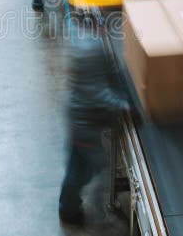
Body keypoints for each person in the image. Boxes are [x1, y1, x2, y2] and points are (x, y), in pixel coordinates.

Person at [58, 31, 131, 226]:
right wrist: (122, 105)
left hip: (79, 119)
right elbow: (97, 92)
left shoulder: (92, 45)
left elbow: (111, 74)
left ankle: (68, 208)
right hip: (85, 126)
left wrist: (122, 95)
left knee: (77, 166)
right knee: (98, 171)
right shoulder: (91, 50)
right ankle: (93, 219)